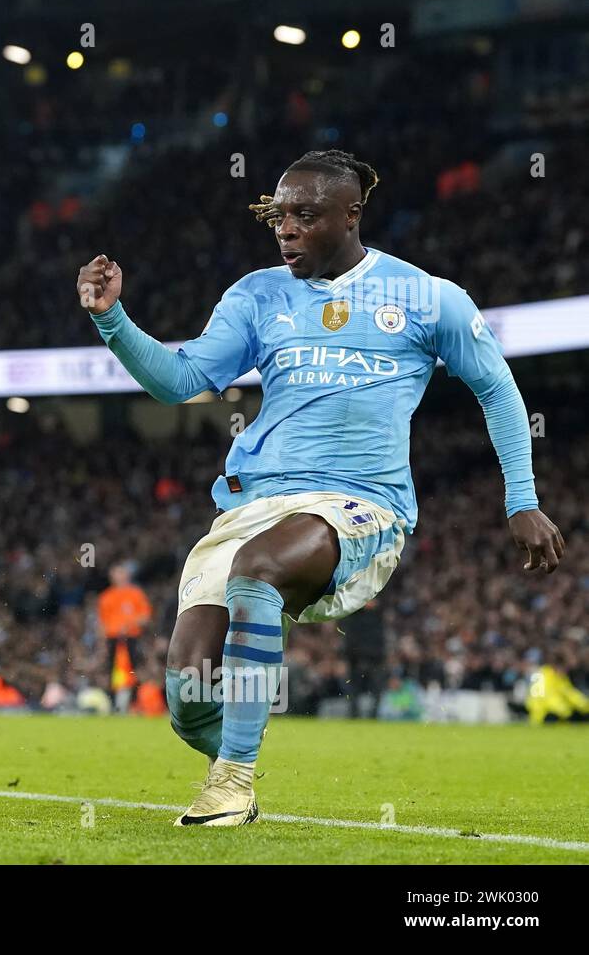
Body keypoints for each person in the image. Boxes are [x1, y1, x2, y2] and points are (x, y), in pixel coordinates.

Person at [77, 149, 564, 826]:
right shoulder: (256, 294)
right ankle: (231, 754)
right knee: (188, 695)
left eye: (305, 216)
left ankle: (234, 785)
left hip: (361, 503)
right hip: (254, 505)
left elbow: (497, 388)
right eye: (281, 217)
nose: (287, 230)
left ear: (351, 214)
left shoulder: (426, 297)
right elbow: (181, 382)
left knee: (260, 569)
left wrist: (522, 498)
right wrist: (112, 319)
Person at [97, 562, 152, 711]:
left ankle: (135, 703)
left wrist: (130, 624)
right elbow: (102, 623)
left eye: (122, 572)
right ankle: (113, 704)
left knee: (136, 670)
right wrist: (102, 643)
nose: (119, 576)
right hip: (113, 640)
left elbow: (146, 617)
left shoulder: (136, 594)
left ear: (127, 575)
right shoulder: (106, 597)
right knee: (112, 672)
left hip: (132, 638)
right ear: (111, 576)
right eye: (116, 573)